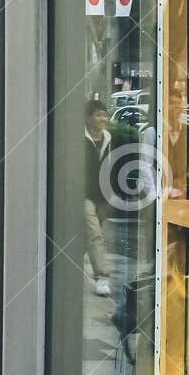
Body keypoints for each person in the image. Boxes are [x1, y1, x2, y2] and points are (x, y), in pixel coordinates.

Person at [85, 99, 114, 298]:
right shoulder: (79, 138)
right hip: (83, 195)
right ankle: (102, 276)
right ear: (88, 118)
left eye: (105, 115)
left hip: (102, 196)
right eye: (98, 115)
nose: (103, 119)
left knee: (88, 234)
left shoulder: (108, 138)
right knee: (94, 233)